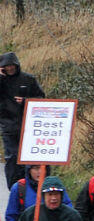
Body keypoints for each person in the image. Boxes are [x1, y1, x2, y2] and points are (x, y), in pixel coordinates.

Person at [0, 53, 44, 187]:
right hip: (8, 127)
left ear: (17, 65)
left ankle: (32, 186)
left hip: (30, 126)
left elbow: (41, 99)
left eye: (12, 65)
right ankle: (14, 188)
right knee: (12, 158)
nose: (10, 68)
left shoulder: (28, 79)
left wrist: (26, 101)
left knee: (31, 158)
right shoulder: (1, 81)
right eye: (7, 66)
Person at [6, 164, 71, 221]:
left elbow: (69, 214)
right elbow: (11, 218)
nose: (40, 172)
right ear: (29, 170)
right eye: (36, 168)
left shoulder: (56, 187)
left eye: (42, 168)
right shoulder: (19, 188)